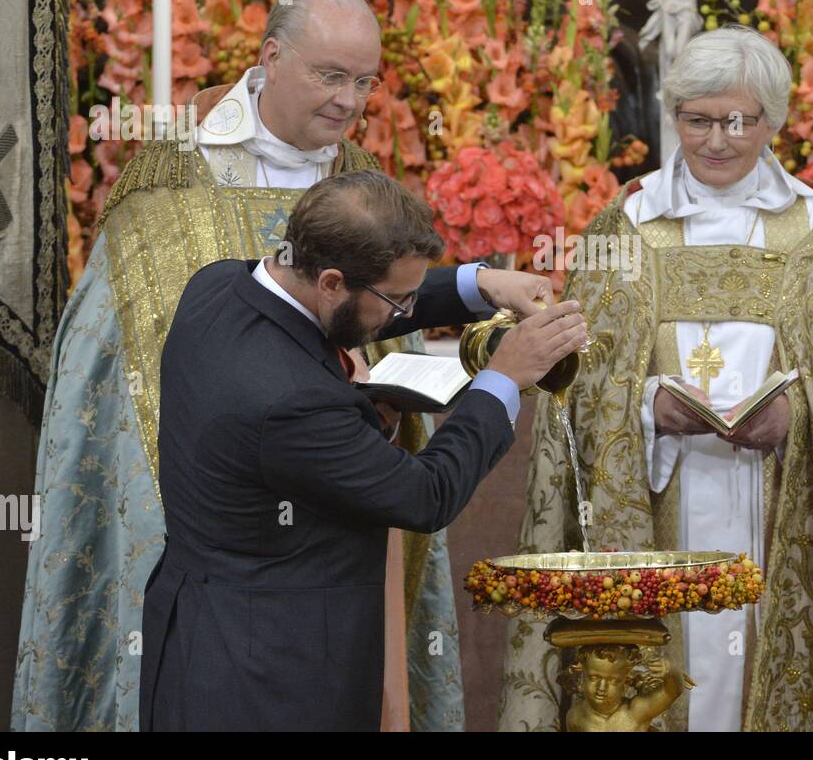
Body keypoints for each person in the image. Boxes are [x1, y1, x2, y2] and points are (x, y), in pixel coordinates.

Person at [15, 0, 462, 730]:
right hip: (208, 523)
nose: (350, 101)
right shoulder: (171, 184)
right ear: (271, 59)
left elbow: (392, 312)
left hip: (339, 500)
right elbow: (112, 357)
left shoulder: (364, 186)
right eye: (330, 75)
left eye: (364, 81)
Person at [499, 26, 813, 732]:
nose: (715, 140)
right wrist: (646, 408)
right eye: (697, 120)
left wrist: (800, 417)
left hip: (780, 507)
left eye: (738, 121)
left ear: (773, 120)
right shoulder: (630, 222)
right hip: (659, 500)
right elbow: (575, 388)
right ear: (672, 115)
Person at [140, 169, 588, 731]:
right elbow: (426, 495)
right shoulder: (294, 400)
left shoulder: (218, 286)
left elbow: (357, 305)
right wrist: (501, 379)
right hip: (271, 677)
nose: (404, 313)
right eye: (399, 300)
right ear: (330, 282)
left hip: (193, 635)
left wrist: (481, 284)